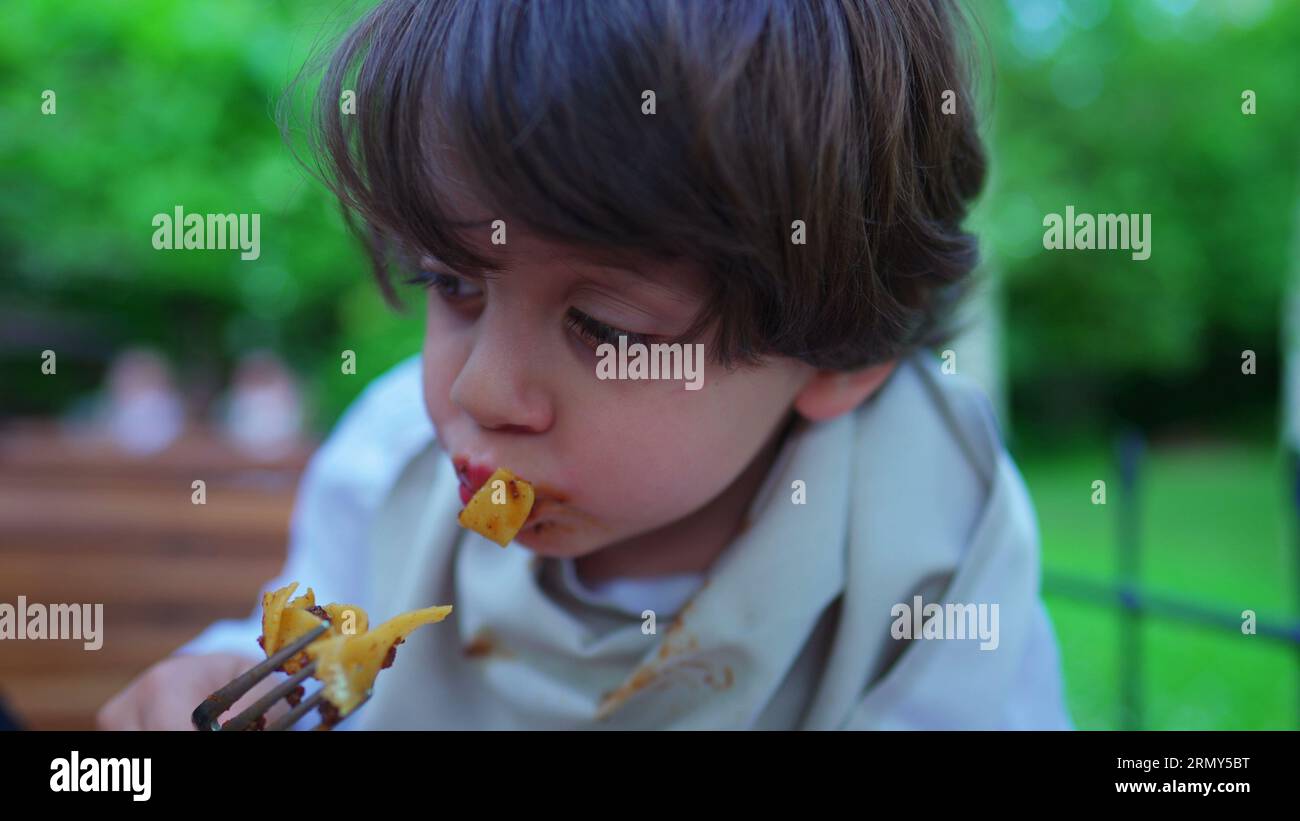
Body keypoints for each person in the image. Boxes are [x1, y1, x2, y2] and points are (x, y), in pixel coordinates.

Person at [99, 0, 1071, 730]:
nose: (478, 391)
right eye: (451, 282)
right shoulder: (390, 467)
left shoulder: (934, 542)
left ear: (840, 354)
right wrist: (211, 679)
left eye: (604, 328)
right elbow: (297, 658)